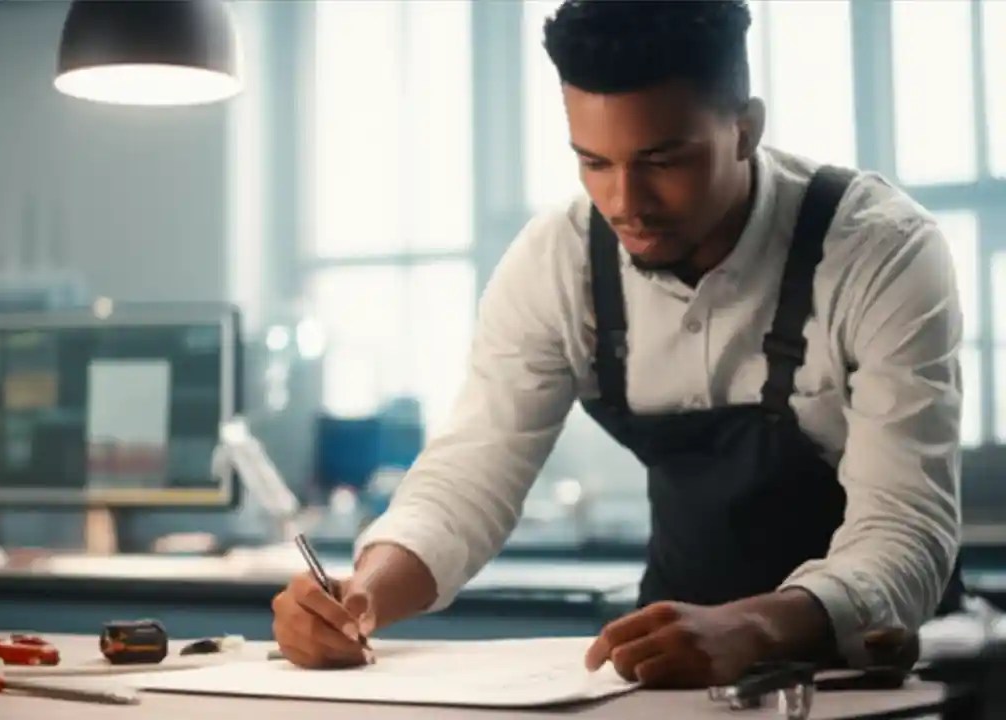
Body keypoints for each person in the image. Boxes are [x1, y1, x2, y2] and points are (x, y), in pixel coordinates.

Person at [271, 0, 966, 688]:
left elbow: (906, 528)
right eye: (593, 161)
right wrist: (362, 598)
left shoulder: (880, 251)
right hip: (670, 668)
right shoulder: (558, 261)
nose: (625, 201)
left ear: (746, 129)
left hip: (874, 670)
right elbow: (466, 480)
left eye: (664, 161)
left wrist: (752, 627)